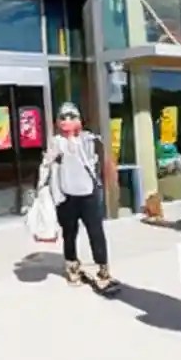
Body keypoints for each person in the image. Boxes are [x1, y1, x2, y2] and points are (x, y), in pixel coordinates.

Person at [41, 102, 119, 294]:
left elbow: (100, 162)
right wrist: (41, 186)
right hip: (66, 195)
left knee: (96, 232)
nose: (67, 121)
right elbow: (46, 165)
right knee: (70, 233)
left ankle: (103, 270)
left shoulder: (89, 139)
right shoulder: (56, 142)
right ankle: (72, 266)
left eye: (72, 117)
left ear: (80, 120)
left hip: (88, 194)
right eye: (63, 118)